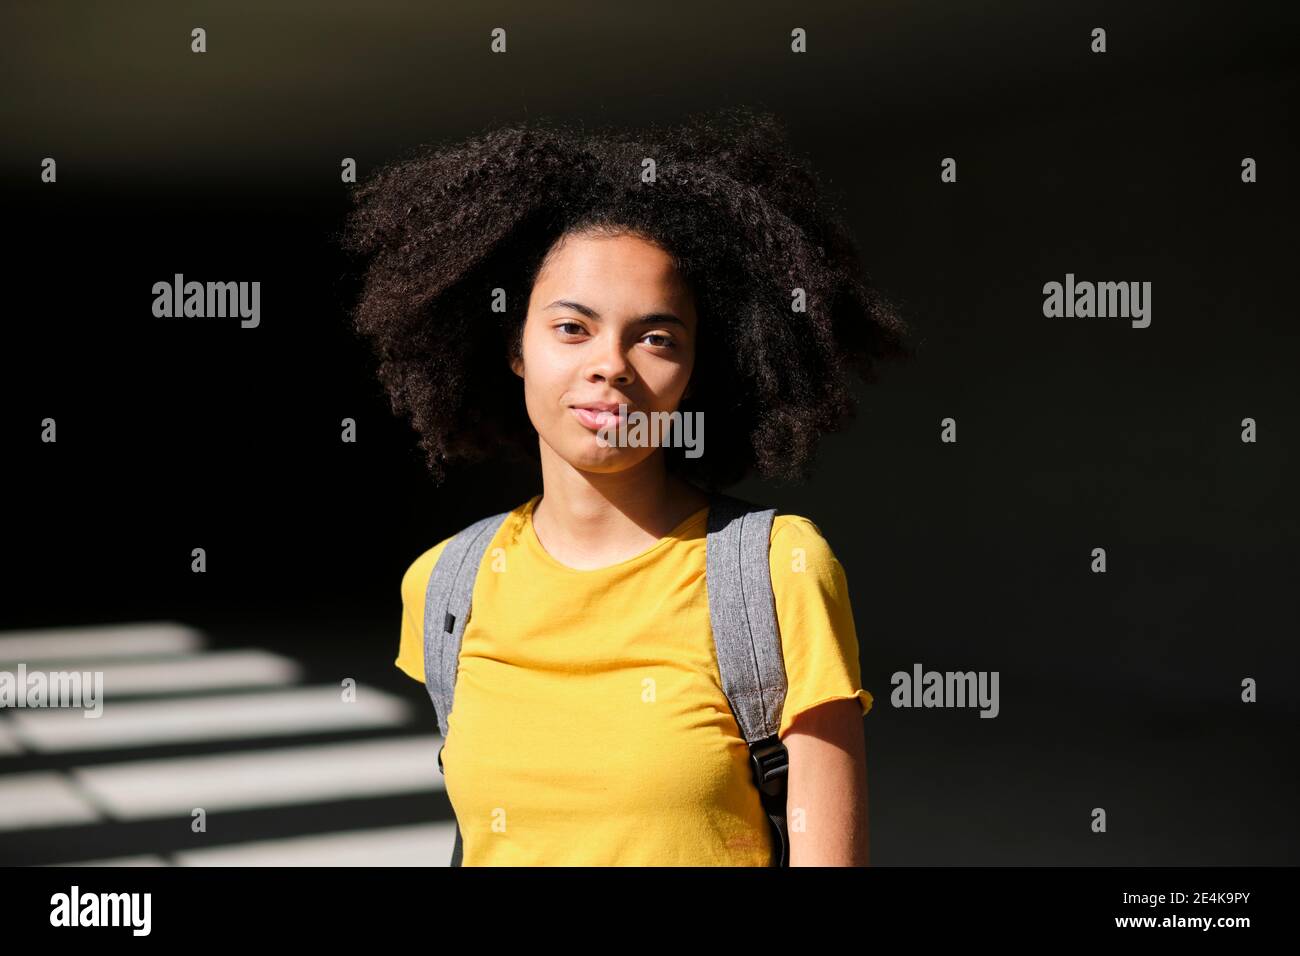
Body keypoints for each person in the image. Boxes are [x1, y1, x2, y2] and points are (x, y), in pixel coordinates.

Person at [339, 106, 914, 865]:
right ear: (515, 349)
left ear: (697, 369)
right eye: (572, 328)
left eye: (655, 337)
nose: (611, 364)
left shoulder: (775, 573)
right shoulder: (448, 585)